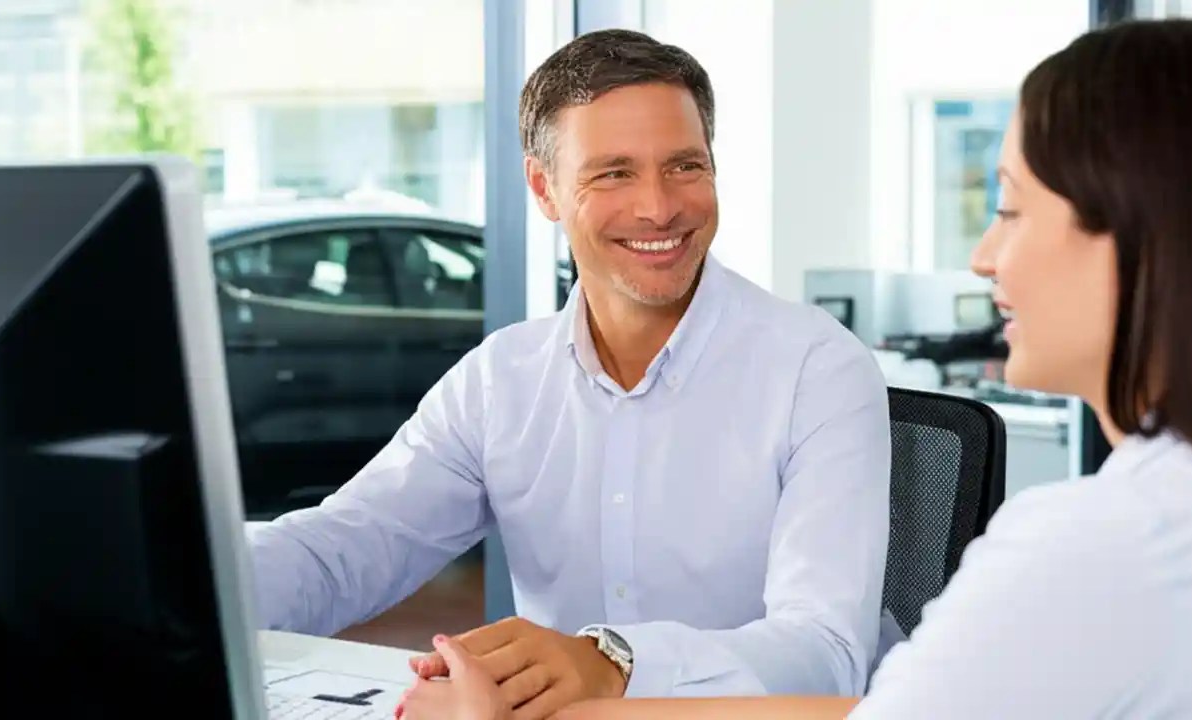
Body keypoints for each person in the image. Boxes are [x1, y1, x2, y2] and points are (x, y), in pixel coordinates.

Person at [398, 18, 1192, 720]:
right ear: (546, 189)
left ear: (1143, 235)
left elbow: (846, 680)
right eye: (614, 172)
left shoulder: (1093, 549)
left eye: (1010, 208)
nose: (982, 256)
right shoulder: (1177, 516)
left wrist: (564, 688)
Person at [250, 28, 891, 719]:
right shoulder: (501, 381)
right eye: (614, 173)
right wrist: (189, 589)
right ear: (544, 188)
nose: (658, 207)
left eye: (684, 166)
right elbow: (344, 550)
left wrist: (614, 661)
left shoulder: (816, 368)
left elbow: (827, 655)